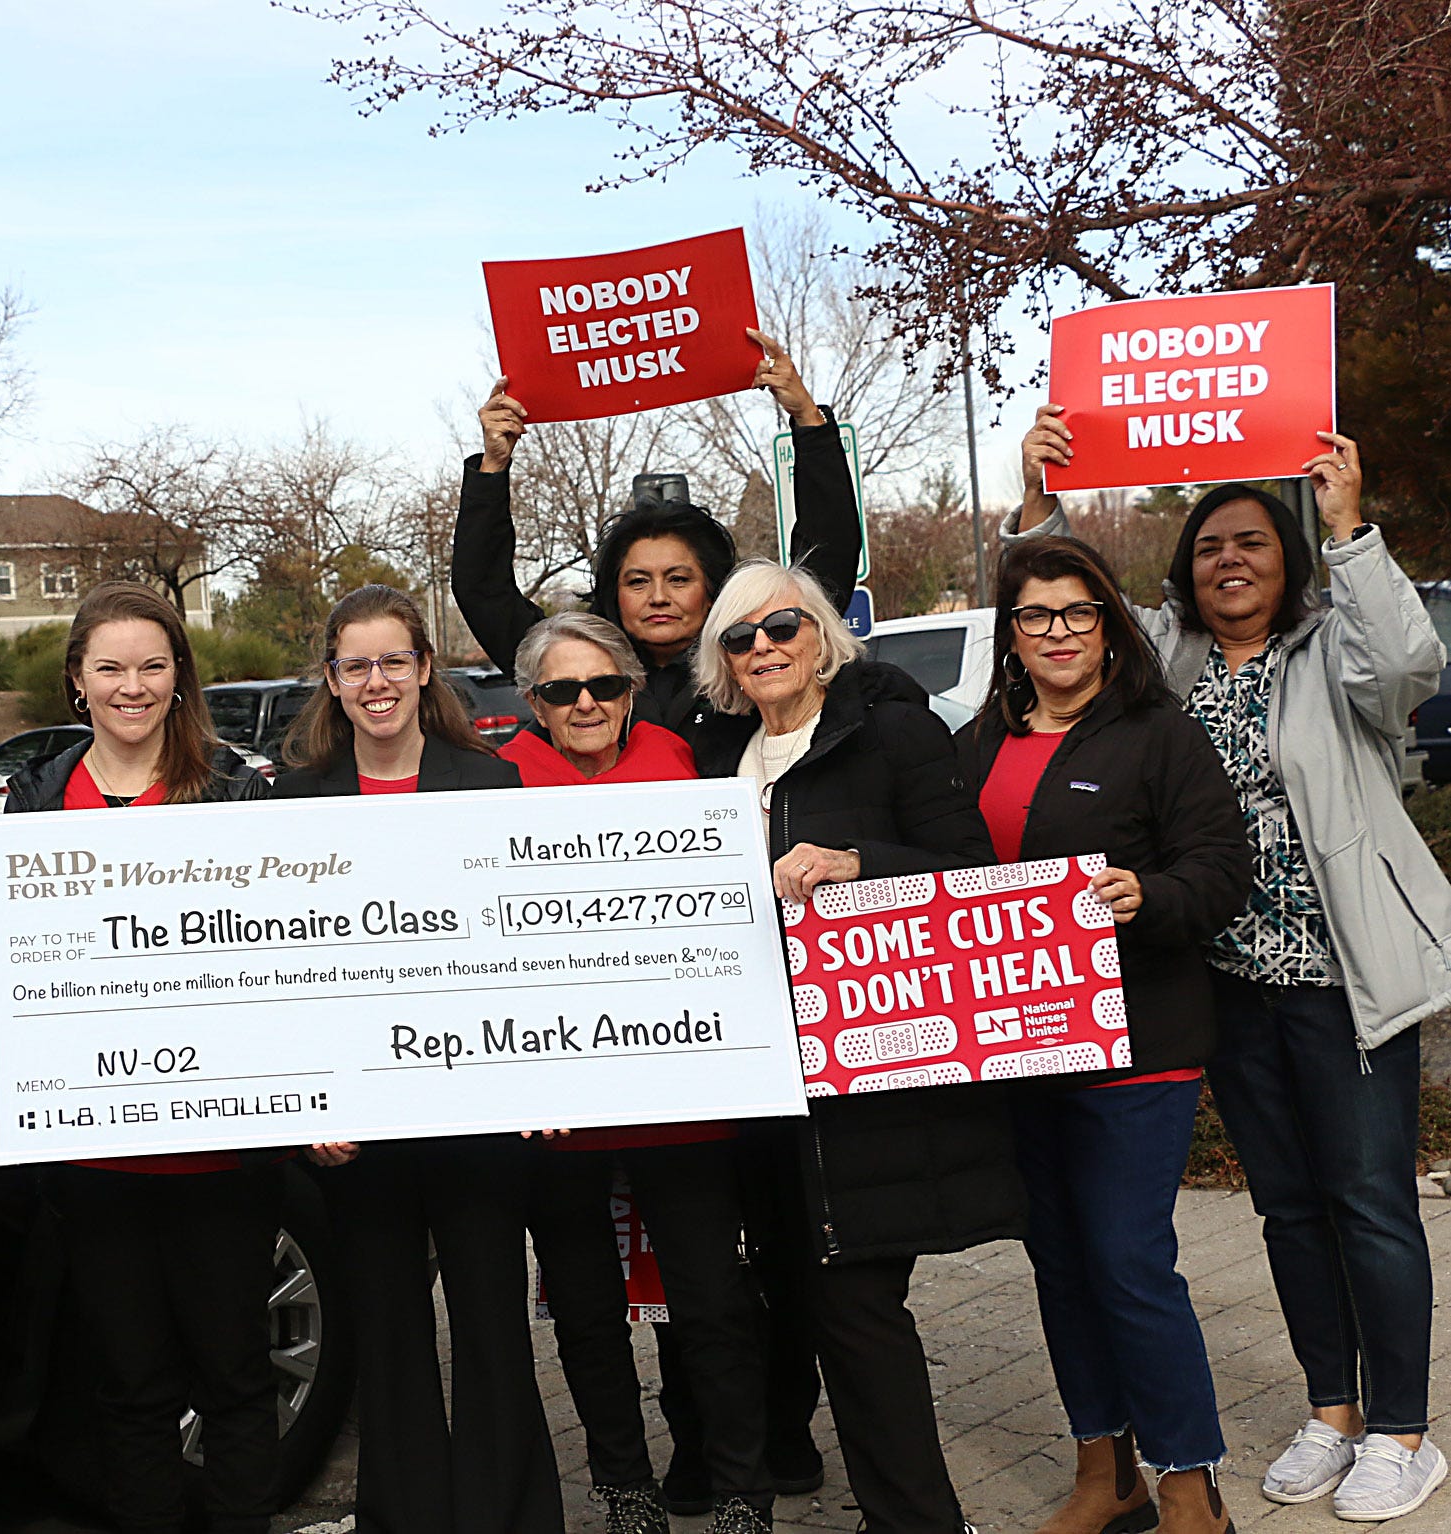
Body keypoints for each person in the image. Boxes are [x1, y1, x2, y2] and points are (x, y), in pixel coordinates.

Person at [1014, 418, 1451, 1521]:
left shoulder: (1334, 649)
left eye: (1252, 541)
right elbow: (1064, 611)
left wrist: (1349, 528)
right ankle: (1332, 1410)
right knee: (1288, 1207)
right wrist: (1042, 502)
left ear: (1286, 558)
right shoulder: (1169, 662)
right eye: (1209, 546)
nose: (1230, 560)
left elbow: (1410, 664)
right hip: (1226, 981)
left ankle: (1403, 1431)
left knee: (1369, 1200)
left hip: (1342, 976)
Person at [692, 560, 1022, 1534]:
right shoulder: (719, 759)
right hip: (756, 1075)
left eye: (782, 626)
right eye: (740, 637)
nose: (763, 647)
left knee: (856, 1306)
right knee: (800, 1299)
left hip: (863, 1073)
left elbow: (970, 873)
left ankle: (921, 1519)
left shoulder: (893, 735)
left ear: (822, 633)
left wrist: (857, 864)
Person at [0, 581, 277, 1534]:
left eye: (151, 666)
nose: (131, 687)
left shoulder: (237, 790)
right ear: (76, 681)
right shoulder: (32, 803)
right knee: (129, 1388)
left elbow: (287, 953)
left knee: (235, 1379)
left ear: (179, 677)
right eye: (110, 669)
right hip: (93, 1158)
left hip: (223, 1151)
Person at [956, 538, 1249, 1534]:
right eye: (1034, 615)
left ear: (1109, 623)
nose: (1057, 632)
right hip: (1016, 1047)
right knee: (1062, 1263)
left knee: (1127, 1262)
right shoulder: (979, 742)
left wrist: (1148, 895)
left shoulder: (1160, 735)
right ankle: (1105, 1471)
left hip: (1137, 1048)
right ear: (1010, 634)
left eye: (1077, 611)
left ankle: (1189, 1483)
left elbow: (1220, 870)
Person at [271, 584, 552, 1534]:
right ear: (331, 680)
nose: (376, 681)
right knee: (387, 1335)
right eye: (356, 665)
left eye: (394, 661)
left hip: (477, 1113)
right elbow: (281, 971)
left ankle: (508, 1517)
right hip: (360, 1129)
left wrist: (542, 1077)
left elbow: (523, 948)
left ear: (425, 669)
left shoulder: (488, 784)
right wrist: (308, 1108)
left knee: (491, 1327)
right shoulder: (292, 801)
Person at [498, 612, 772, 1534]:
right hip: (558, 1105)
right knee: (584, 1312)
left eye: (604, 685)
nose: (585, 703)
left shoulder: (685, 762)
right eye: (561, 690)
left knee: (712, 1303)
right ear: (532, 702)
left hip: (682, 1089)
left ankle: (741, 1492)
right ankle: (623, 1487)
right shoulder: (495, 782)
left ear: (631, 690)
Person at [453, 331, 862, 745]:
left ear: (712, 590)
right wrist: (492, 468)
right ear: (614, 593)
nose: (659, 597)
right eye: (638, 581)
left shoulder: (756, 652)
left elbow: (827, 556)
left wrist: (808, 420)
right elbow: (482, 591)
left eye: (679, 579)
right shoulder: (574, 665)